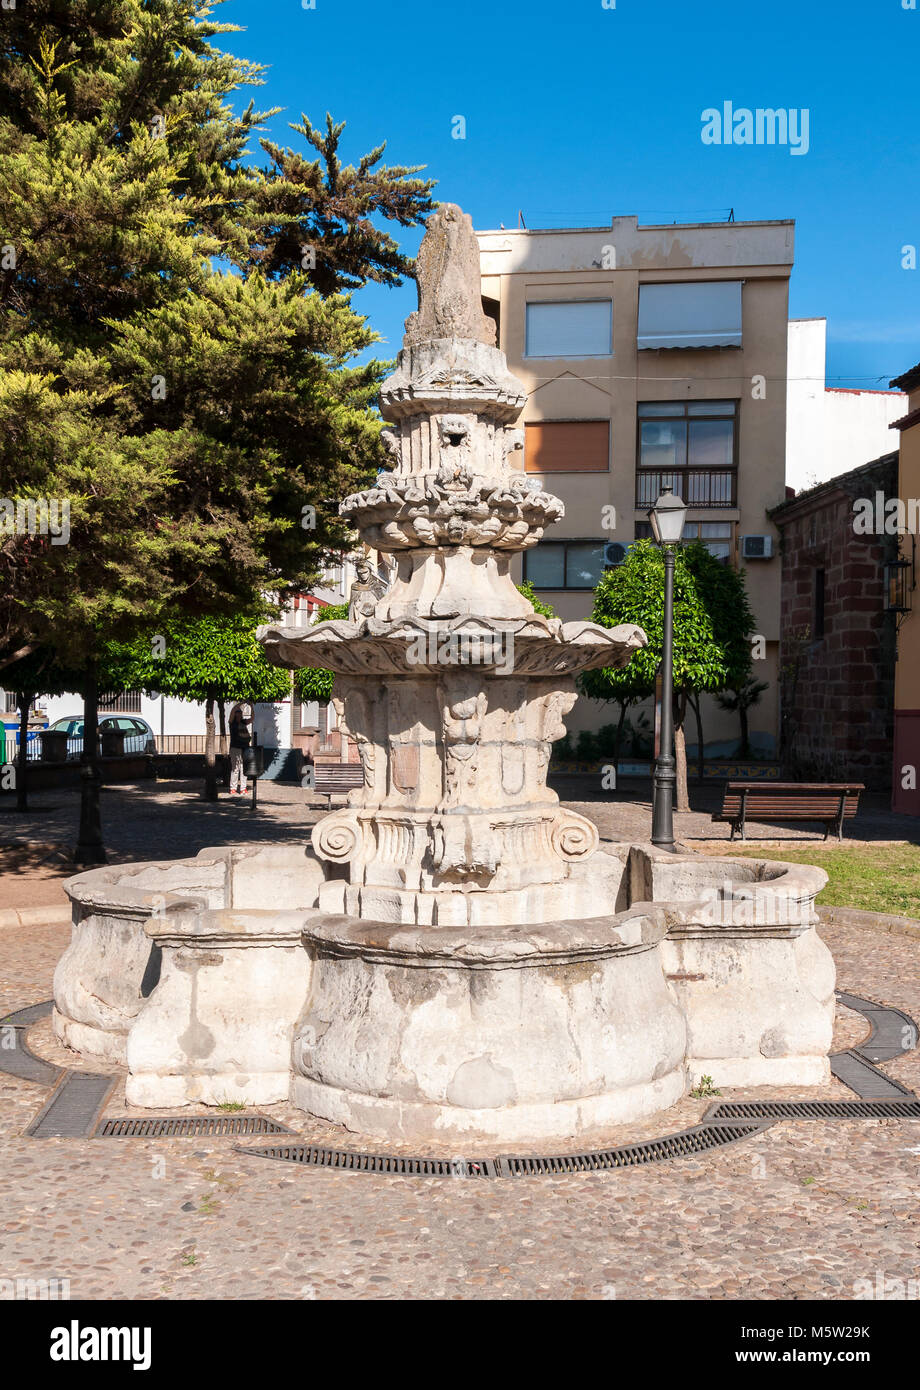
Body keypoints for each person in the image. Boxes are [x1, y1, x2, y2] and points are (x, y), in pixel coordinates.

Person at [228, 706, 251, 795]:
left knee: (243, 768)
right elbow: (232, 711)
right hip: (235, 748)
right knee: (235, 768)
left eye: (240, 712)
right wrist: (241, 703)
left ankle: (243, 788)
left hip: (244, 748)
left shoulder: (243, 722)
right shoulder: (232, 723)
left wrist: (251, 706)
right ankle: (233, 788)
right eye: (238, 712)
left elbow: (252, 718)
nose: (239, 713)